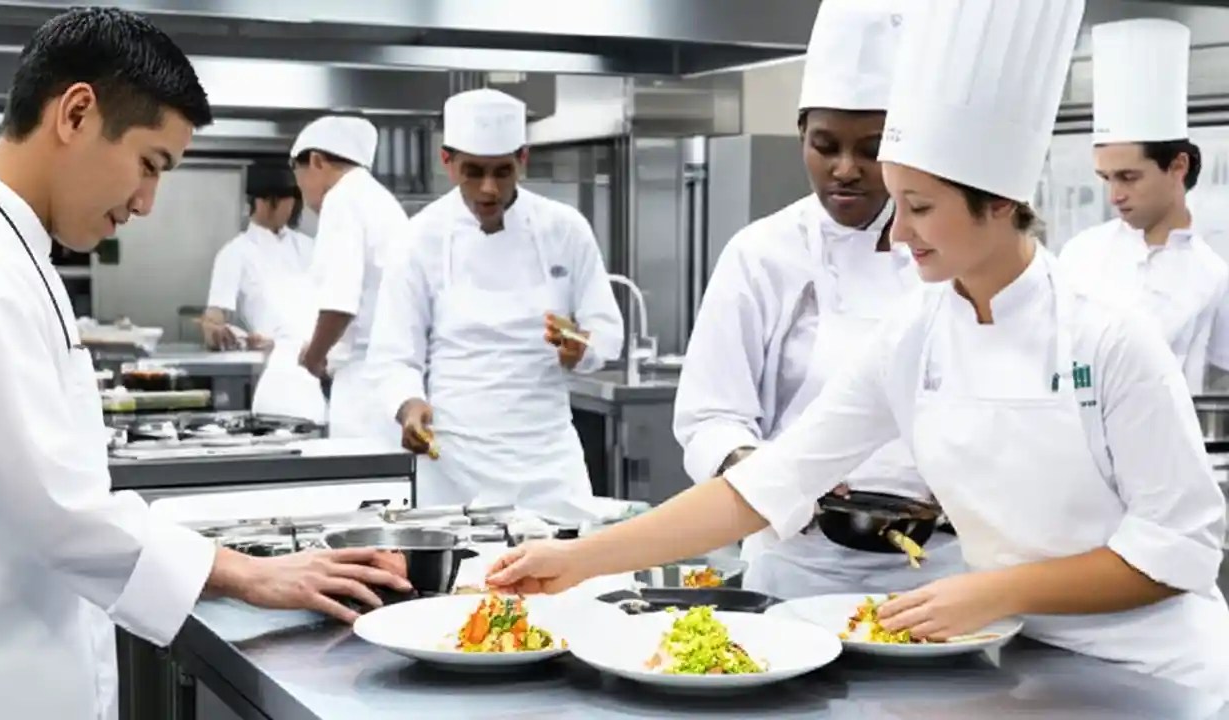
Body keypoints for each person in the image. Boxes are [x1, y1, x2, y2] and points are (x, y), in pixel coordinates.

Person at [489, 0, 1229, 701]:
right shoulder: (913, 335)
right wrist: (577, 559)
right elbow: (768, 483)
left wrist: (997, 590)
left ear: (1000, 202)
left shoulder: (1108, 336)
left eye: (920, 207)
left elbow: (1179, 550)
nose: (897, 234)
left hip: (1160, 675)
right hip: (1024, 656)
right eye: (896, 202)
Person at [0, 10, 412, 718]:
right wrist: (250, 574)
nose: (145, 203)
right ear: (76, 113)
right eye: (149, 165)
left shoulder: (4, 247)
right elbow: (59, 511)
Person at [672, 0, 963, 598]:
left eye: (871, 149)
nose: (845, 169)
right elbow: (709, 416)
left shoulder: (952, 252)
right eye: (825, 146)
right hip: (798, 562)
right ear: (801, 135)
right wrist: (758, 468)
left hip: (944, 570)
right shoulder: (762, 254)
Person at [367, 88, 623, 510]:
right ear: (447, 162)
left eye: (503, 171)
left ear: (523, 159)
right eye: (473, 172)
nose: (489, 189)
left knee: (570, 550)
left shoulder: (565, 229)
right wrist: (409, 405)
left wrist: (581, 348)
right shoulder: (418, 238)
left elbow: (607, 331)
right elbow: (394, 355)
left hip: (548, 459)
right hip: (455, 460)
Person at [1058, 19, 1229, 393]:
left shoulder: (1215, 275)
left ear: (1178, 166)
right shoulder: (1079, 255)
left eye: (1128, 177)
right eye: (1106, 178)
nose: (1114, 195)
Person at [290, 116, 410, 441]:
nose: (301, 191)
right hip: (392, 379)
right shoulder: (379, 200)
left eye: (298, 174)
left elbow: (340, 303)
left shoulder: (342, 199)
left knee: (361, 471)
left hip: (363, 386)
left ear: (316, 161)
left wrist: (314, 357)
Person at [202, 161, 325, 422]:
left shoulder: (309, 247)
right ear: (267, 202)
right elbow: (213, 320)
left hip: (319, 363)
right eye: (289, 201)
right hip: (273, 372)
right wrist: (217, 333)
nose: (293, 209)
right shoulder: (235, 253)